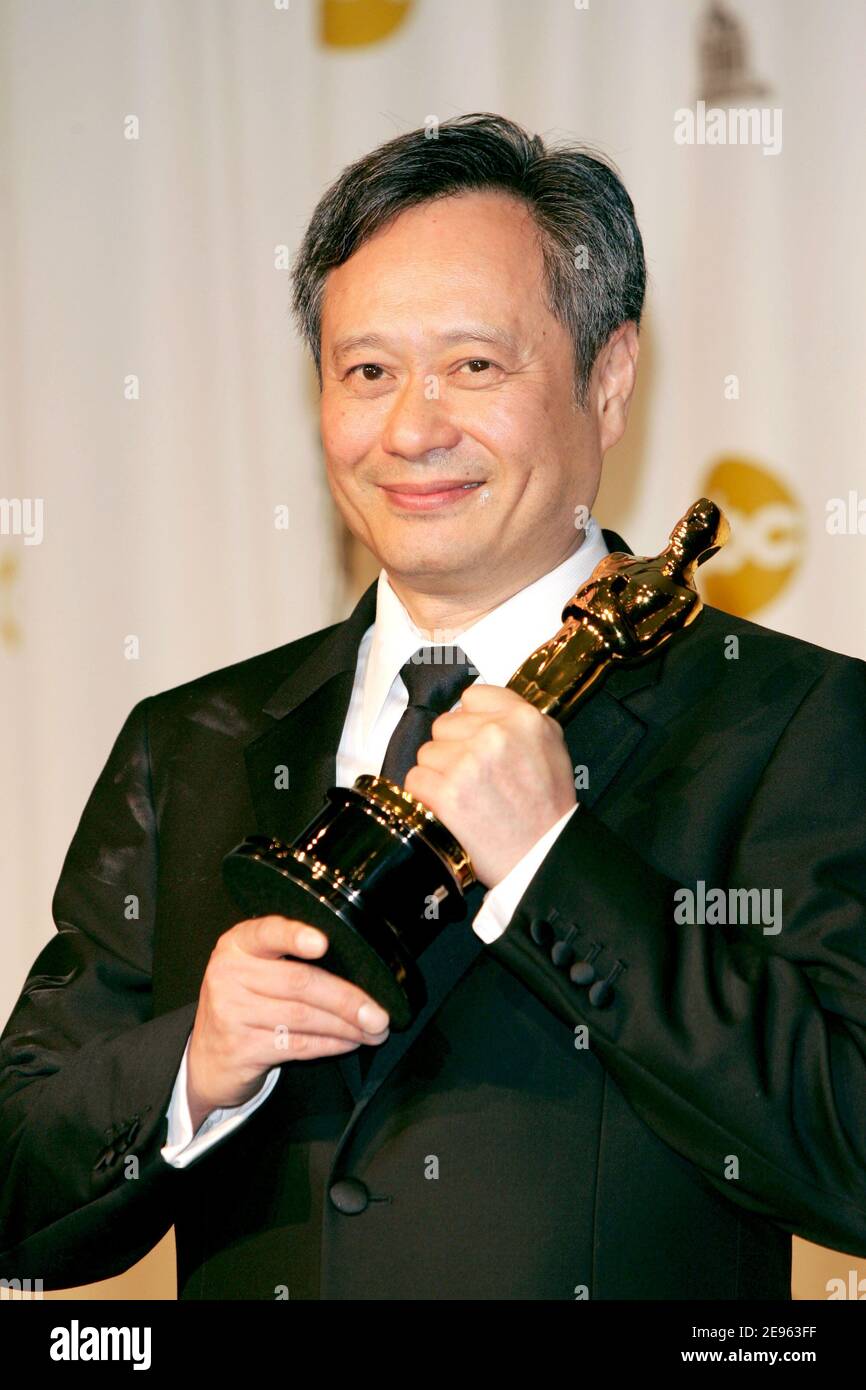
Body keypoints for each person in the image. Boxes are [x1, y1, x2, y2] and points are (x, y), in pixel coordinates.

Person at [2, 112, 865, 1301]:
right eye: (366, 372)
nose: (411, 430)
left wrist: (555, 866)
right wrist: (193, 1065)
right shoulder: (188, 742)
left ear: (608, 380)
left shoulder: (789, 721)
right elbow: (17, 1194)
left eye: (473, 366)